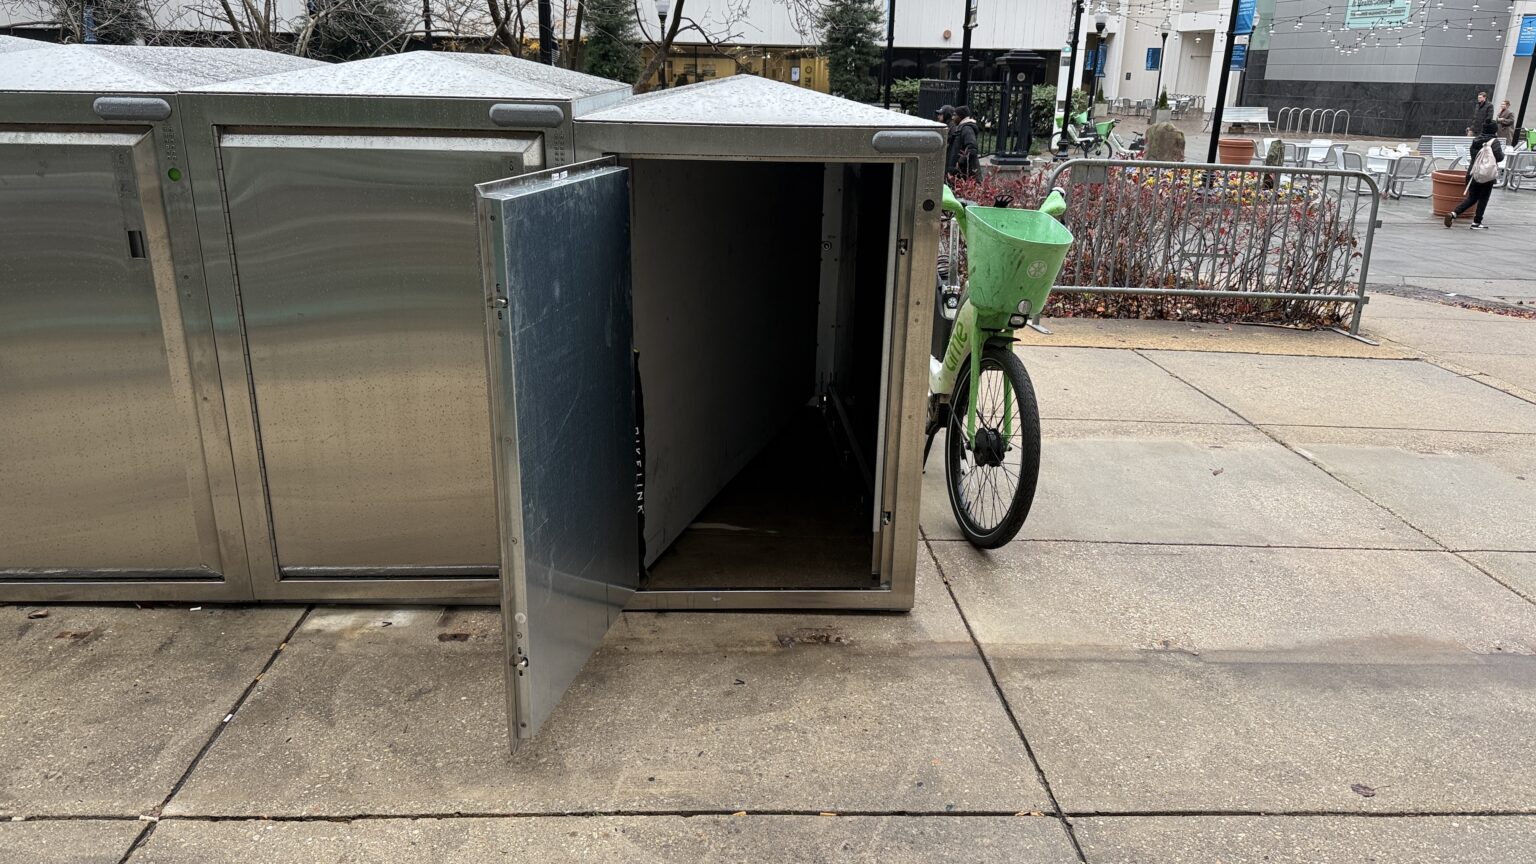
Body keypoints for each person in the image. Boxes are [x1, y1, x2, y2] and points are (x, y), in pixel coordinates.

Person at [1444, 125, 1504, 230]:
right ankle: (1477, 222)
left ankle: (1454, 213)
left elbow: (1473, 155)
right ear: (1494, 130)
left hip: (1473, 173)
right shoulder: (1494, 142)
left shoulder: (1476, 140)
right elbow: (1499, 157)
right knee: (1484, 198)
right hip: (1486, 174)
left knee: (1472, 197)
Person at [950, 105, 980, 179]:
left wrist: (960, 162)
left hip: (966, 171)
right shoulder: (962, 128)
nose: (952, 118)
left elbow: (972, 148)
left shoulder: (967, 129)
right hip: (962, 170)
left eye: (954, 115)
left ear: (960, 116)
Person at [936, 104, 957, 174]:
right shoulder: (946, 125)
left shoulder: (952, 127)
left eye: (940, 114)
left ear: (946, 115)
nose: (938, 116)